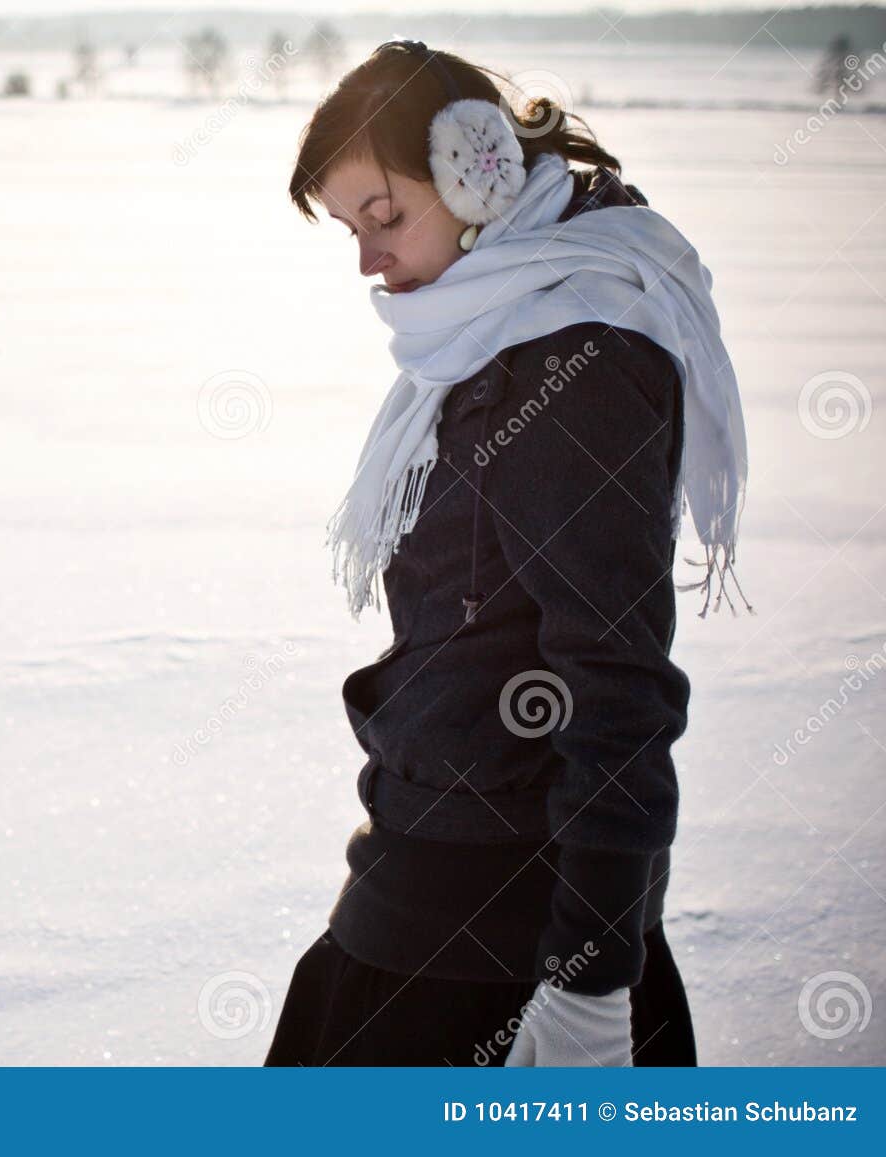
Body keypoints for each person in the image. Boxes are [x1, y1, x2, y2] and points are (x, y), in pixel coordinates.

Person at [263, 40, 750, 1067]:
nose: (366, 260)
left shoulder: (574, 359)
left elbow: (614, 682)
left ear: (472, 165)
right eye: (349, 231)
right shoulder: (490, 335)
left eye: (382, 217)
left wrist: (587, 978)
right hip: (428, 872)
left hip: (489, 922)